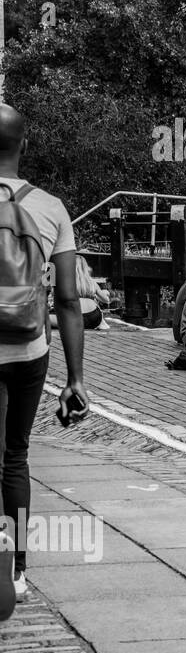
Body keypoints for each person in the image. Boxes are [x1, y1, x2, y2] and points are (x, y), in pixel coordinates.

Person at [0, 103, 88, 608]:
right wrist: (75, 379)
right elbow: (70, 299)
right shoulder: (51, 207)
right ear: (24, 147)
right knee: (15, 456)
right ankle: (16, 571)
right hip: (29, 347)